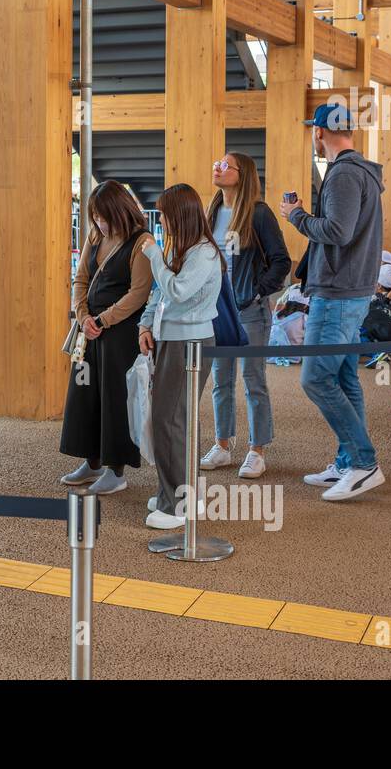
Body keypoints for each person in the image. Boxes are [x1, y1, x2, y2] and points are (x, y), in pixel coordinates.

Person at [280, 103, 385, 502]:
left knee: (315, 378)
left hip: (338, 291)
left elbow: (337, 231)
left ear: (319, 133)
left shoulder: (341, 174)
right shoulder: (364, 173)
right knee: (342, 377)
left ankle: (363, 462)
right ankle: (348, 460)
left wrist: (296, 216)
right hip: (353, 288)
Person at [59, 181, 153, 495]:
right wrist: (82, 315)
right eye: (95, 216)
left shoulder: (142, 241)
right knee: (84, 393)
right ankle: (92, 460)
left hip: (120, 332)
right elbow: (81, 278)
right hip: (91, 329)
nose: (100, 222)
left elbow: (138, 293)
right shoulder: (95, 235)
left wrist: (102, 319)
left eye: (105, 216)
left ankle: (116, 469)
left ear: (121, 210)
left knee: (115, 398)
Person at [138, 183, 223, 530]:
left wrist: (154, 255)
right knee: (173, 420)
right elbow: (160, 295)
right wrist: (145, 325)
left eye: (167, 214)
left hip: (190, 342)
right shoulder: (186, 249)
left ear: (181, 215)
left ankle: (177, 505)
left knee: (169, 420)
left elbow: (177, 291)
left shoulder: (202, 253)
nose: (163, 222)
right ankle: (174, 493)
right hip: (174, 339)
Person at [202, 151, 290, 478]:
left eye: (226, 165)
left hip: (249, 309)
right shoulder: (210, 212)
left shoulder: (258, 213)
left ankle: (257, 450)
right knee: (220, 381)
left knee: (254, 380)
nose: (218, 166)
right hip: (217, 309)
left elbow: (281, 260)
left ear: (243, 174)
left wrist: (256, 291)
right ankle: (222, 445)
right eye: (217, 162)